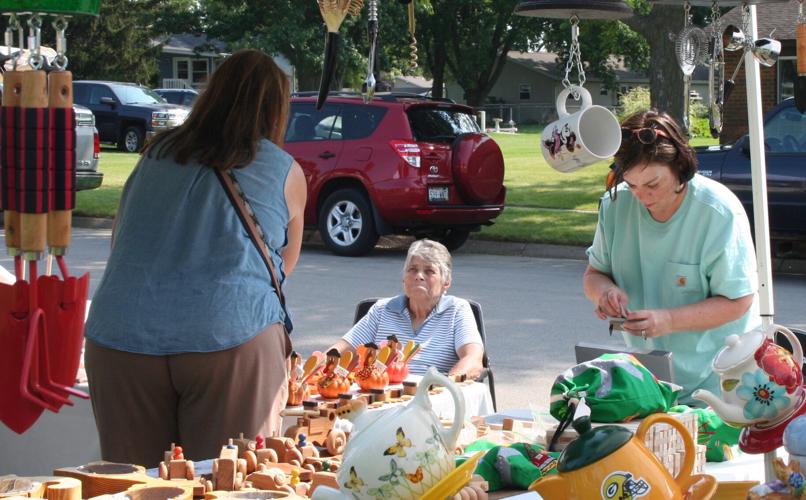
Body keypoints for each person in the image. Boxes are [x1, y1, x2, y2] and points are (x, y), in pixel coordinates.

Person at [83, 49, 306, 467]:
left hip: (122, 336)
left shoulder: (155, 153)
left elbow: (120, 240)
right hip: (229, 335)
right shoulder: (283, 169)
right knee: (227, 480)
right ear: (277, 109)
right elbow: (283, 266)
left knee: (134, 485)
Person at [583, 109, 760, 405]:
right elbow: (594, 274)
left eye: (653, 184)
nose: (642, 196)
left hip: (722, 386)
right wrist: (605, 293)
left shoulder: (717, 211)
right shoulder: (616, 204)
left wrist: (667, 320)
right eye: (632, 184)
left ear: (680, 166)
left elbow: (739, 301)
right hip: (651, 383)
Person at [329, 239, 484, 378]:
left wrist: (446, 387)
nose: (419, 276)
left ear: (446, 282)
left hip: (432, 398)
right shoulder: (382, 310)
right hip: (380, 395)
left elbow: (473, 359)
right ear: (404, 278)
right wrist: (312, 371)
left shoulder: (457, 310)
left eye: (429, 271)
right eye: (413, 269)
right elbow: (340, 351)